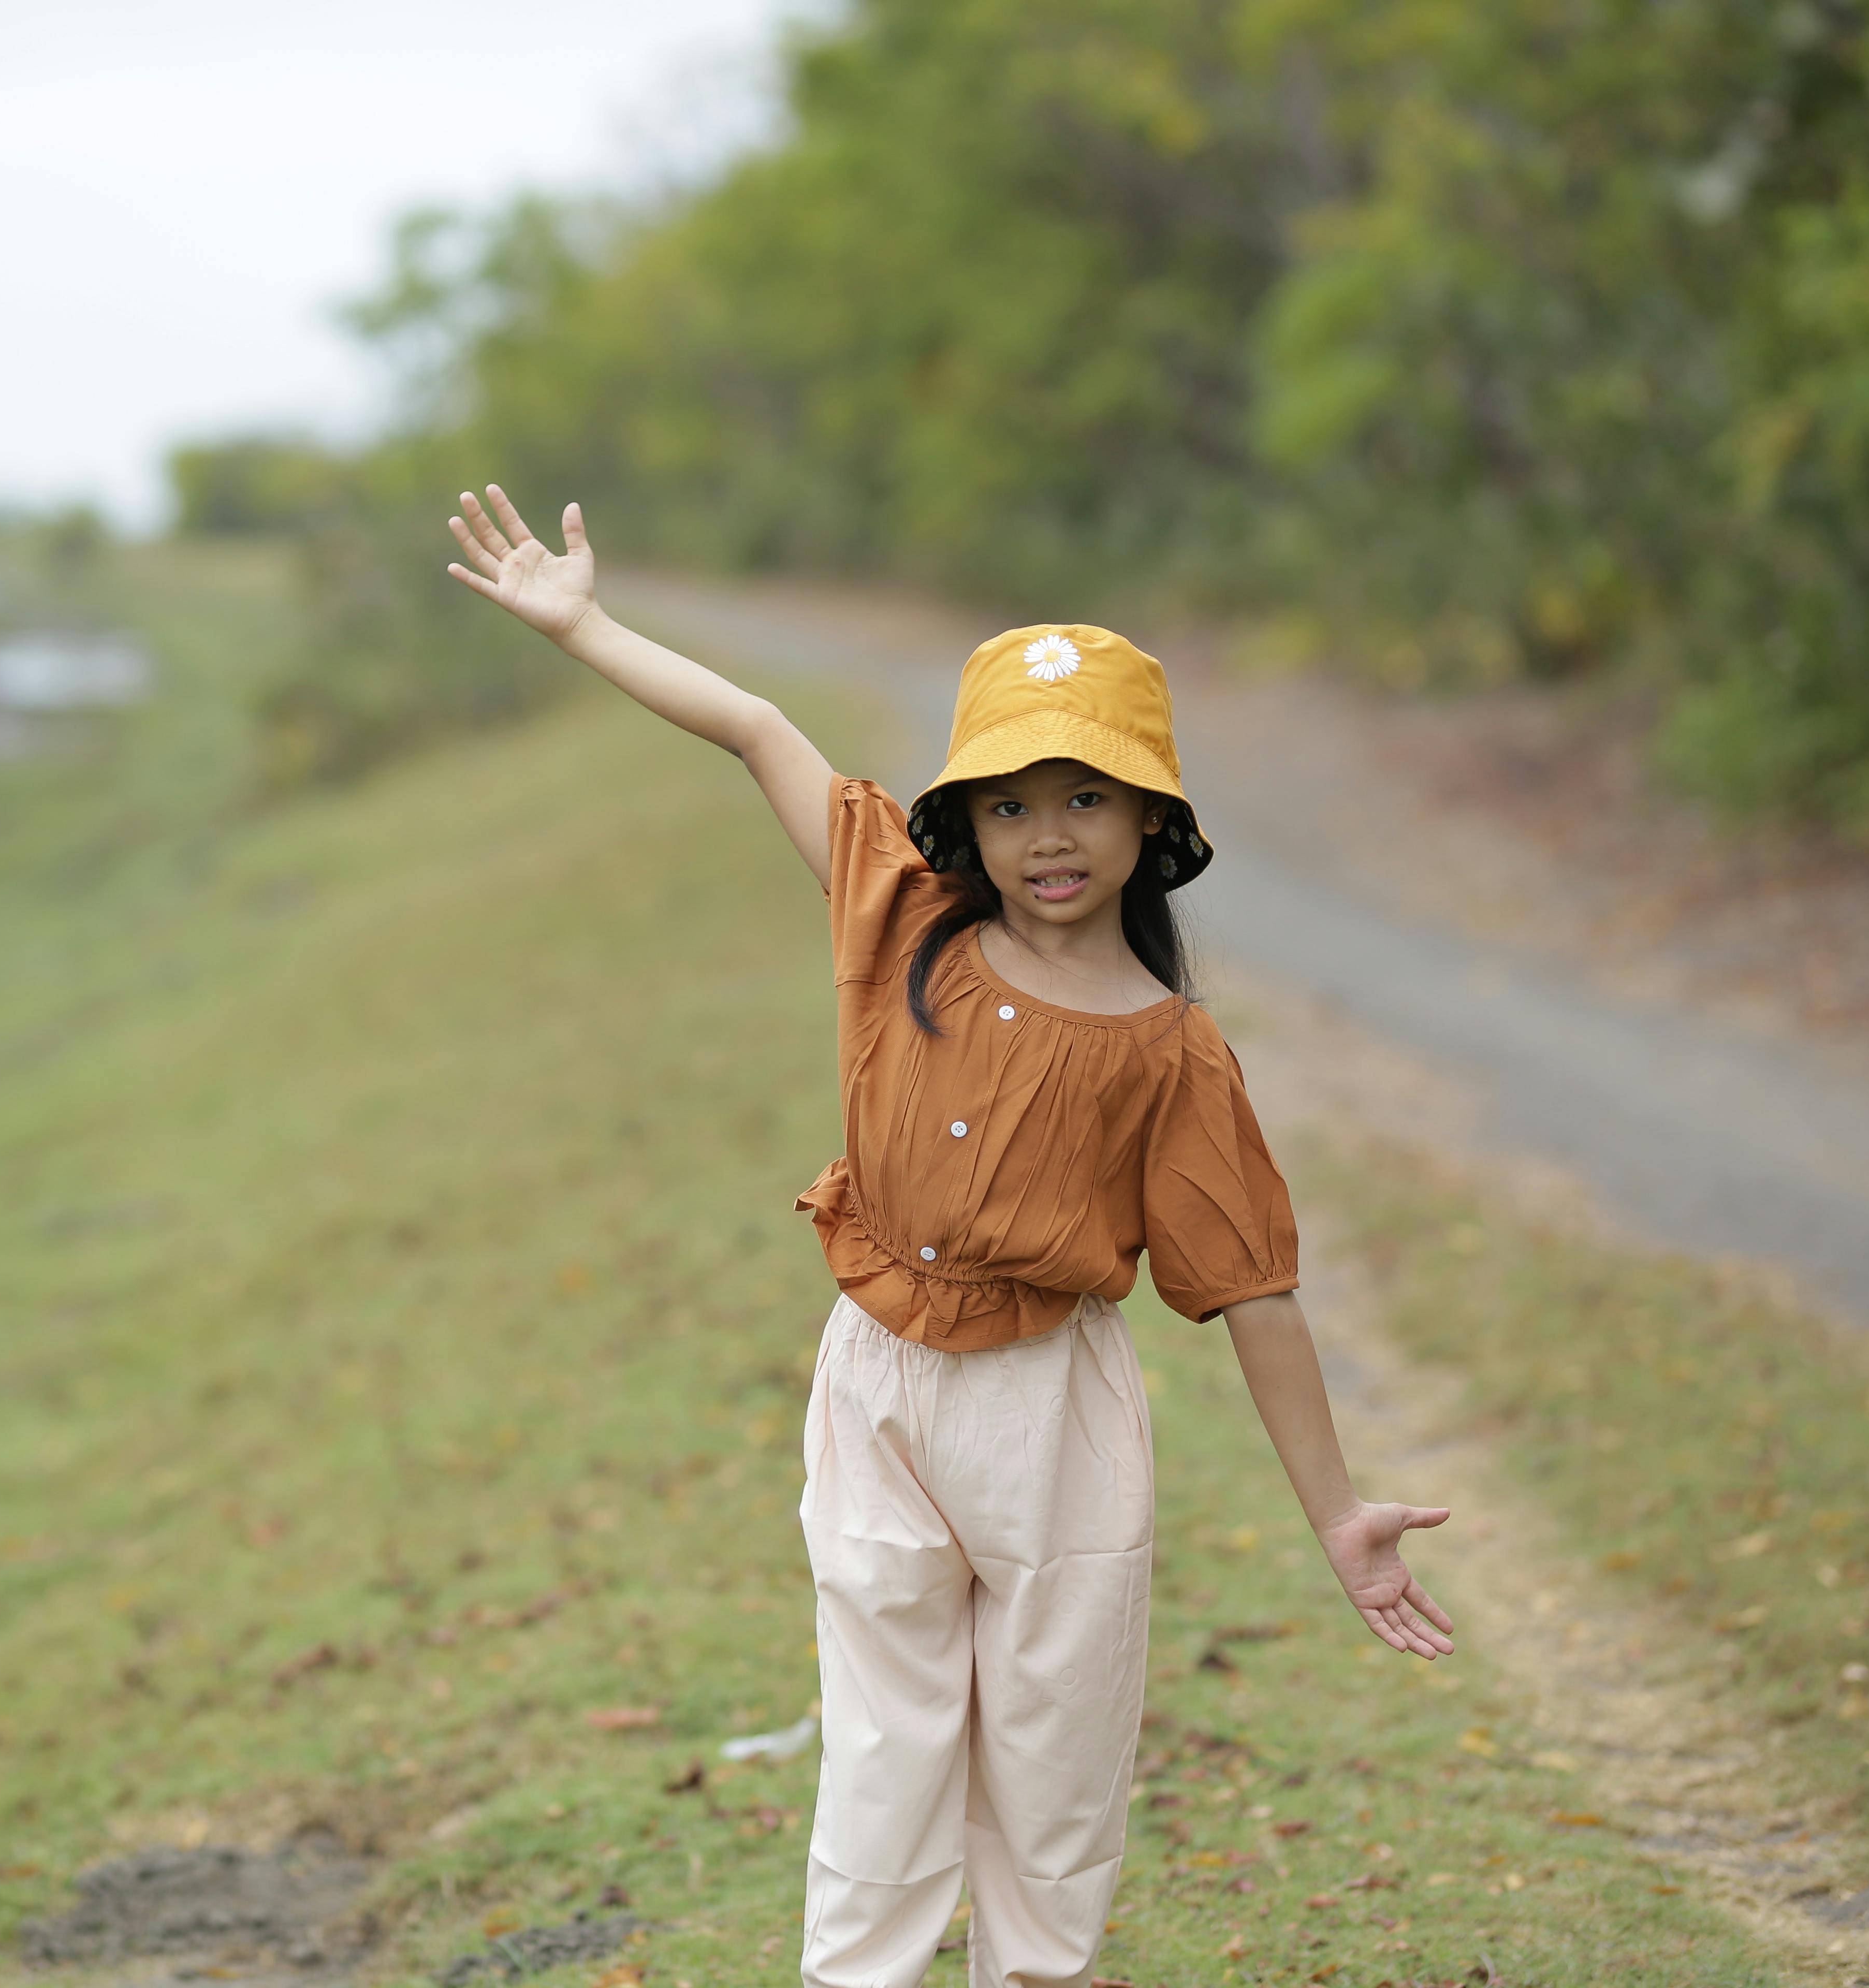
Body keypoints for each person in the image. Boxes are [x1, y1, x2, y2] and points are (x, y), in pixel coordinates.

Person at [444, 486, 1456, 1988]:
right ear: (968, 820)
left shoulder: (1173, 1054)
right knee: (886, 1742)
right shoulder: (903, 922)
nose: (1049, 836)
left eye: (1087, 798)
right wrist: (585, 624)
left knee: (1054, 1755)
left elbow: (1256, 1294)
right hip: (877, 1389)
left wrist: (1337, 1515)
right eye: (1012, 802)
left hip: (1052, 1416)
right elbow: (759, 730)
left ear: (1151, 823)